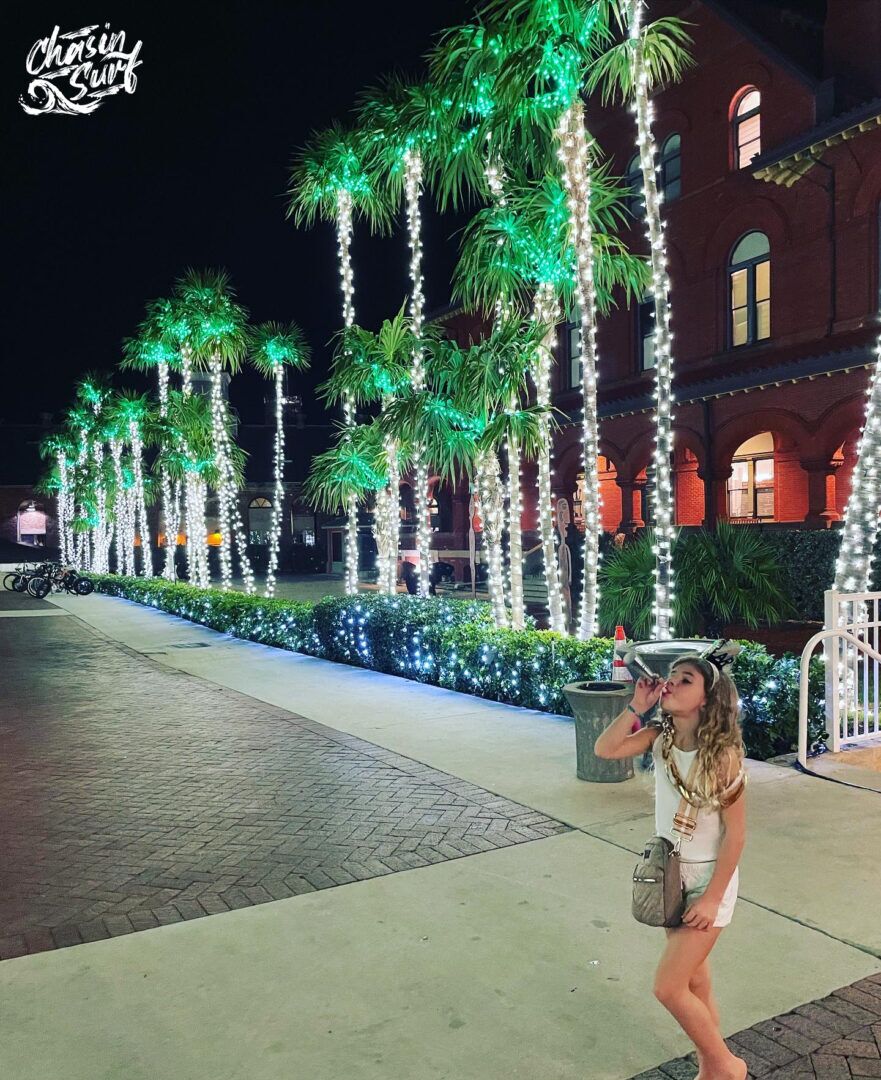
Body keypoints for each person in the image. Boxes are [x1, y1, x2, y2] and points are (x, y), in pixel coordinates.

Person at [594, 652, 748, 1080]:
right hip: (671, 875)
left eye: (685, 681)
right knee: (696, 982)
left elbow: (736, 834)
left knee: (668, 986)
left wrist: (713, 897)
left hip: (709, 882)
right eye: (672, 678)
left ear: (705, 699)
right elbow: (604, 749)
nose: (672, 685)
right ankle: (710, 1069)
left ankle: (727, 1066)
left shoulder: (722, 756)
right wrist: (635, 708)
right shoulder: (658, 738)